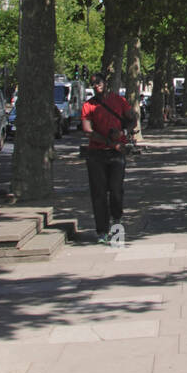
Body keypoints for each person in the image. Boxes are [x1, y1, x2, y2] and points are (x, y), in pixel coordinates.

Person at [81, 73, 134, 245]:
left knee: (116, 190)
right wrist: (110, 142)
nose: (97, 86)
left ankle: (117, 220)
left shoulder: (119, 101)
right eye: (93, 84)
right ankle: (102, 230)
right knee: (99, 194)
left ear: (105, 83)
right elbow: (88, 130)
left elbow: (133, 118)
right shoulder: (88, 106)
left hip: (117, 154)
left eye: (99, 82)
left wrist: (124, 133)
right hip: (96, 154)